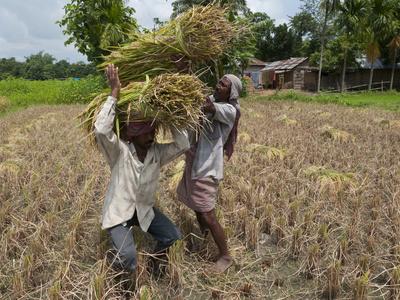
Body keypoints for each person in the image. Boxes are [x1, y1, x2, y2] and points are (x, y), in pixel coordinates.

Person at [95, 64, 190, 279]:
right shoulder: (120, 152)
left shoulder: (156, 153)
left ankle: (155, 265)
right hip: (120, 213)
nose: (151, 137)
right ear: (132, 135)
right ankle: (116, 277)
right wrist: (114, 93)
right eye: (146, 133)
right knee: (127, 258)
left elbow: (183, 143)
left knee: (173, 237)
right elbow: (101, 130)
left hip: (143, 210)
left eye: (153, 131)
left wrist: (169, 112)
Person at [177, 74, 242, 273]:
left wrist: (198, 99)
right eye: (219, 81)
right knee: (197, 208)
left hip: (206, 168)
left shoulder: (231, 110)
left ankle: (225, 256)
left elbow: (210, 108)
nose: (218, 85)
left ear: (231, 92)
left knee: (207, 212)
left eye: (223, 84)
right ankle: (204, 239)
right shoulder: (212, 99)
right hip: (194, 162)